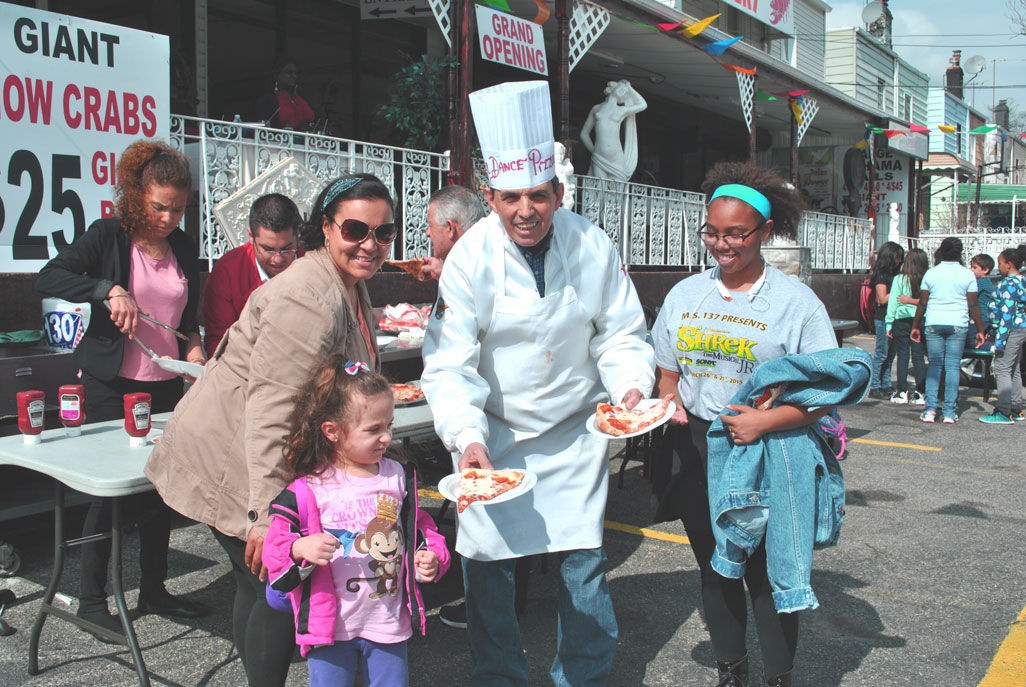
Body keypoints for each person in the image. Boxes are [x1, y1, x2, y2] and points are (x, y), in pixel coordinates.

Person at [421, 80, 654, 686]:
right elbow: (450, 361)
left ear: (558, 193)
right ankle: (500, 678)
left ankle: (583, 677)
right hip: (493, 437)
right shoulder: (470, 257)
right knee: (486, 570)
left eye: (538, 196)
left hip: (576, 434)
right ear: (491, 197)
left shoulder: (592, 244)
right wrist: (466, 436)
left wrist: (629, 385)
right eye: (510, 197)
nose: (526, 210)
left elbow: (621, 332)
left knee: (584, 566)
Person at [146, 173, 396, 686]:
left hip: (248, 445)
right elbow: (273, 406)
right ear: (324, 228)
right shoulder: (308, 295)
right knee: (275, 587)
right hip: (233, 453)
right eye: (355, 229)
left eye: (383, 232)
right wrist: (264, 515)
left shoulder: (346, 280)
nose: (370, 244)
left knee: (255, 584)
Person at [651, 161, 838, 687]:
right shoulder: (687, 295)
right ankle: (730, 672)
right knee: (715, 566)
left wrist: (765, 421)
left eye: (736, 233)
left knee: (766, 572)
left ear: (766, 232)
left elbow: (828, 389)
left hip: (769, 449)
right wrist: (669, 399)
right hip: (697, 447)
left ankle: (779, 677)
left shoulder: (796, 303)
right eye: (711, 232)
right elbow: (668, 369)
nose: (721, 244)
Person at [35, 140, 208, 637]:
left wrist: (194, 354)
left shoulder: (183, 245)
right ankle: (91, 601)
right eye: (158, 206)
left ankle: (154, 589)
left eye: (177, 208)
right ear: (136, 196)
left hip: (166, 386)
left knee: (162, 489)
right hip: (113, 384)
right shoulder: (109, 235)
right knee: (105, 497)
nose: (168, 218)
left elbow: (187, 321)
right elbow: (50, 276)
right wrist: (106, 289)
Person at [262, 357, 450, 686]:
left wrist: (434, 556)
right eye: (374, 429)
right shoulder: (309, 489)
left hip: (388, 622)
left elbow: (422, 529)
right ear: (332, 431)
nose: (386, 437)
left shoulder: (397, 476)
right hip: (329, 629)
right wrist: (299, 546)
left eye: (389, 425)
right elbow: (273, 550)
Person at [201, 193, 303, 358]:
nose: (278, 259)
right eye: (268, 249)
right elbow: (219, 343)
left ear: (297, 235)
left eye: (287, 248)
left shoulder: (312, 263)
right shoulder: (228, 272)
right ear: (251, 236)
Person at [911, 237, 986, 424]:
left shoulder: (931, 273)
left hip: (934, 322)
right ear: (960, 253)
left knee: (935, 365)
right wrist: (980, 329)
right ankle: (950, 412)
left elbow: (923, 302)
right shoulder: (967, 274)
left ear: (941, 252)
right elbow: (974, 304)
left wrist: (915, 326)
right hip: (958, 323)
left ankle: (930, 410)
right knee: (953, 366)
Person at [979, 248, 1026, 424]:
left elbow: (1007, 313)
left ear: (1009, 264)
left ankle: (1004, 411)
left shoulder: (1009, 284)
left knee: (1002, 368)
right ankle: (1015, 407)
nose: (998, 267)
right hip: (1020, 327)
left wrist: (999, 340)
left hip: (1011, 329)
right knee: (1013, 368)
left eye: (999, 263)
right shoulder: (1022, 281)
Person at [579, 79, 647, 182]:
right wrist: (594, 151)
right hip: (599, 156)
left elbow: (643, 104)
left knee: (617, 194)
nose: (623, 91)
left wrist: (629, 87)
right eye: (621, 87)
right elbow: (584, 134)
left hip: (616, 157)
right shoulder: (596, 108)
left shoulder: (621, 110)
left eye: (625, 91)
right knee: (600, 192)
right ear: (612, 88)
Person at [885, 248, 929, 405]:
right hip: (921, 319)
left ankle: (902, 391)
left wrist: (889, 323)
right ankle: (920, 392)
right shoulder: (926, 279)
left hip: (901, 319)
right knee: (918, 357)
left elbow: (893, 302)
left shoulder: (899, 279)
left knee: (902, 356)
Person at [422, 185, 486, 281]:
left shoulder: (486, 262)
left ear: (450, 228)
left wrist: (447, 274)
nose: (427, 233)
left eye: (431, 226)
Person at [867, 241, 904, 399]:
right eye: (897, 257)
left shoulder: (897, 275)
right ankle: (875, 385)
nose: (899, 261)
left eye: (901, 258)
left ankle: (886, 383)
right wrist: (898, 291)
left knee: (890, 355)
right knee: (882, 353)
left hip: (896, 318)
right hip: (883, 318)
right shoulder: (882, 275)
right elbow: (881, 299)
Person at [255, 57, 315, 130]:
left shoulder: (302, 100)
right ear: (277, 75)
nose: (294, 76)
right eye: (289, 72)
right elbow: (263, 128)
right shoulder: (267, 101)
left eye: (295, 73)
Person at [966, 253, 995, 350]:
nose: (971, 270)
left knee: (971, 340)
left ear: (985, 270)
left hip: (981, 317)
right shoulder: (986, 282)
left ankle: (991, 348)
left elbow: (970, 297)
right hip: (984, 317)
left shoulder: (980, 283)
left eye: (975, 268)